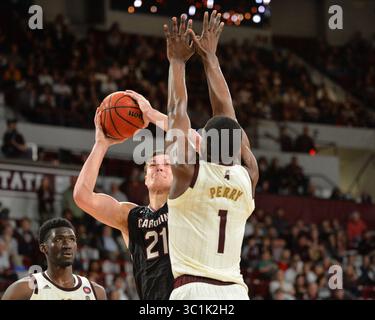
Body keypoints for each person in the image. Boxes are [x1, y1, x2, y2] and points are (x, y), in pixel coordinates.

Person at [164, 12, 258, 300]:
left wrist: (177, 62)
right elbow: (229, 122)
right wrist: (211, 59)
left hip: (192, 291)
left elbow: (176, 112)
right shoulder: (248, 176)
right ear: (240, 148)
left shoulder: (187, 173)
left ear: (203, 144)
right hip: (235, 292)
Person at [73, 95, 183, 300]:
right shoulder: (131, 216)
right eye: (152, 165)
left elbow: (197, 142)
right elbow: (82, 197)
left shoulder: (187, 203)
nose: (159, 167)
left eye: (167, 164)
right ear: (145, 179)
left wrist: (152, 115)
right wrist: (101, 144)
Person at [1, 218, 106, 300]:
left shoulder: (96, 291)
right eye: (59, 239)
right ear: (43, 248)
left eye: (71, 239)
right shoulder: (23, 289)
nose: (67, 245)